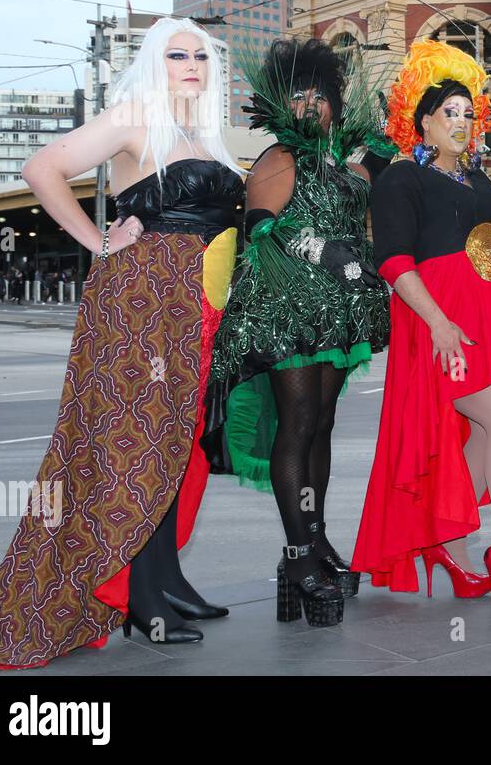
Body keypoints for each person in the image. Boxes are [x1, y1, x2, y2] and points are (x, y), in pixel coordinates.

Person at [0, 17, 244, 668]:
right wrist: (97, 241)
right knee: (140, 445)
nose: (192, 64)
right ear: (154, 61)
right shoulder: (135, 115)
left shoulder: (203, 130)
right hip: (142, 304)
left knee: (178, 441)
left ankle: (165, 579)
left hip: (199, 303)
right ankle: (143, 602)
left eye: (201, 55)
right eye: (177, 54)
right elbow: (42, 167)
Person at [354, 39, 491, 608]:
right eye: (451, 113)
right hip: (441, 322)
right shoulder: (400, 177)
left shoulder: (476, 179)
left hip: (487, 316)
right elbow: (393, 260)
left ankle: (449, 546)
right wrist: (439, 324)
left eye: (471, 114)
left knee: (479, 433)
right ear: (422, 122)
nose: (464, 122)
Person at [206, 39, 390, 627]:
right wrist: (323, 250)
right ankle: (299, 558)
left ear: (336, 102)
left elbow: (370, 178)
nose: (311, 104)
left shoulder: (340, 159)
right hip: (286, 312)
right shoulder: (277, 157)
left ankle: (313, 542)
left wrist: (380, 152)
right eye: (299, 94)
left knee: (323, 426)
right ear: (282, 102)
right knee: (300, 423)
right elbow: (260, 230)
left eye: (321, 94)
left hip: (335, 314)